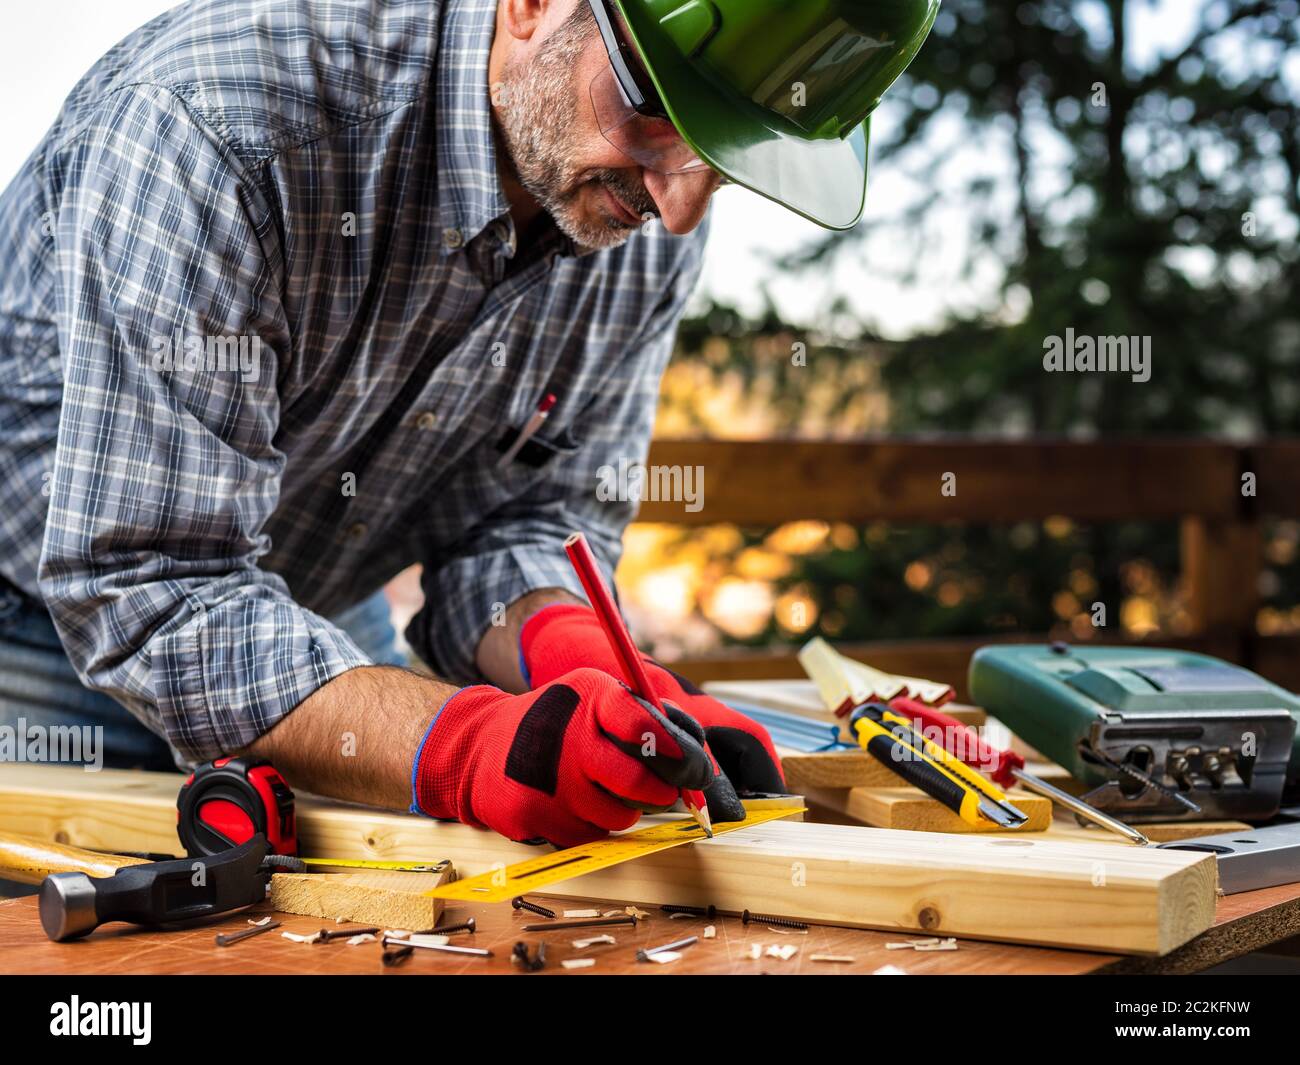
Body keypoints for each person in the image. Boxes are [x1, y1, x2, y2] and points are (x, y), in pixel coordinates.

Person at [0, 0, 936, 845]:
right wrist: (463, 748)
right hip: (40, 621)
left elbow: (522, 523)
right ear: (533, 6)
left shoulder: (633, 210)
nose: (680, 209)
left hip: (307, 596)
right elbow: (155, 583)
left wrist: (580, 658)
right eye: (658, 111)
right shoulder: (220, 124)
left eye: (721, 162)